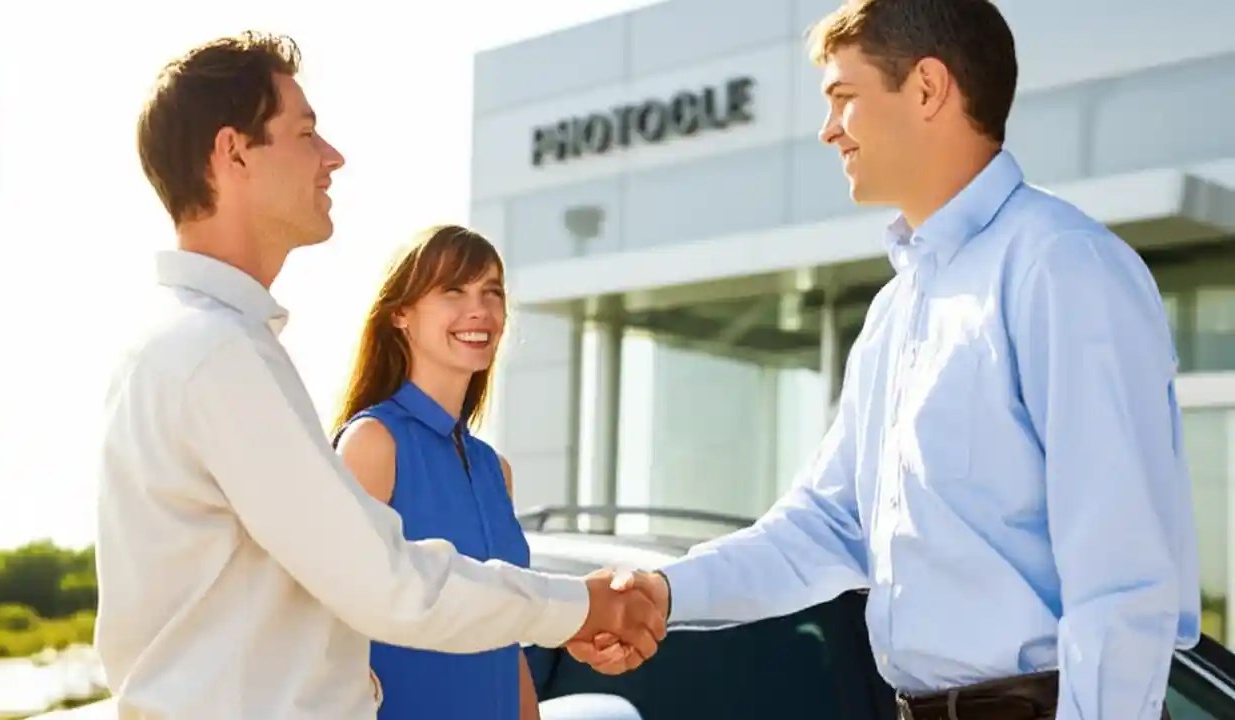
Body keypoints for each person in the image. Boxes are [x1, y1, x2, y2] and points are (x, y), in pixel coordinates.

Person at [571, 1, 1199, 718]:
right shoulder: (895, 312)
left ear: (927, 88)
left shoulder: (1062, 268)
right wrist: (665, 591)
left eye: (844, 96)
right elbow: (825, 525)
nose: (828, 129)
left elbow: (1123, 580)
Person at [95, 31, 662, 720]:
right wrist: (580, 605)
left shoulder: (196, 346)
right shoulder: (215, 354)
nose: (331, 157)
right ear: (234, 152)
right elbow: (385, 584)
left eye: (492, 293)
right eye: (306, 132)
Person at [330, 224, 544, 720]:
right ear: (400, 314)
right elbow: (327, 623)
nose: (480, 309)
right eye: (454, 290)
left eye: (492, 292)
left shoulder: (495, 470)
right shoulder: (373, 444)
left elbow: (505, 633)